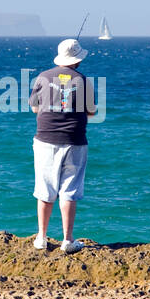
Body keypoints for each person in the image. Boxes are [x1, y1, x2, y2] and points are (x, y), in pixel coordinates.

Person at [28, 38, 96, 253]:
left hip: (45, 140)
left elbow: (34, 108)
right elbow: (92, 111)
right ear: (77, 59)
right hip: (75, 141)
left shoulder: (43, 77)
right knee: (69, 190)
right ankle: (68, 240)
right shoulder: (83, 80)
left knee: (45, 189)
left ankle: (41, 237)